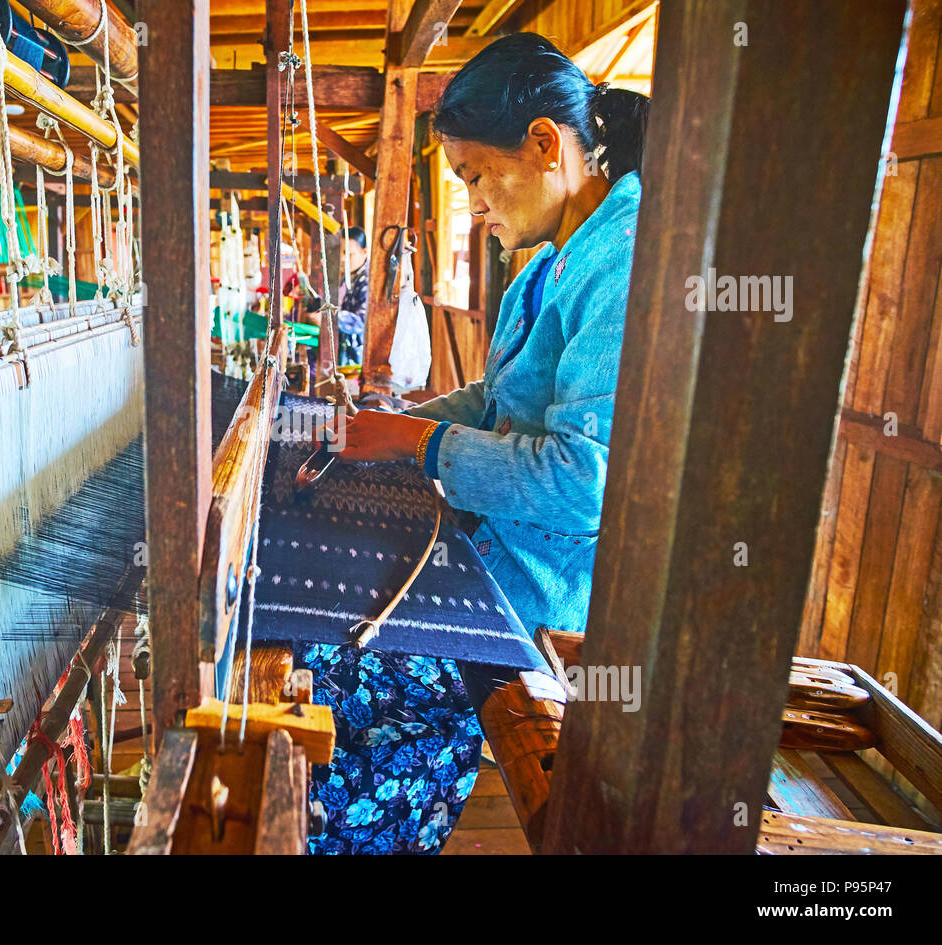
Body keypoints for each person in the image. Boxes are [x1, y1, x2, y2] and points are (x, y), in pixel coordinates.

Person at [299, 32, 649, 854]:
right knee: (324, 647)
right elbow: (495, 401)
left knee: (340, 677)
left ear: (543, 145)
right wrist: (392, 422)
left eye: (475, 178)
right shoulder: (550, 261)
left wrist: (416, 445)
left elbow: (585, 479)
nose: (474, 204)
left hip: (546, 600)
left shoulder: (626, 263)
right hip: (497, 557)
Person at [337, 226, 369, 364]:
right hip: (345, 350)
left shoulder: (367, 281)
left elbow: (361, 322)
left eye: (349, 254)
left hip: (358, 356)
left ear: (364, 252)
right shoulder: (347, 277)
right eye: (341, 253)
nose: (344, 259)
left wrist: (330, 317)